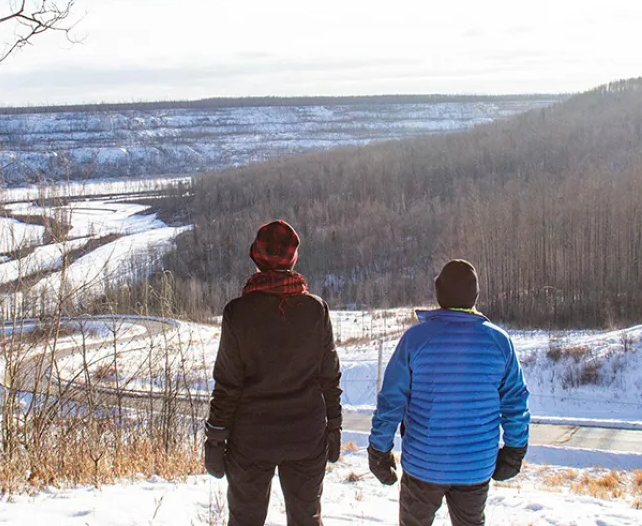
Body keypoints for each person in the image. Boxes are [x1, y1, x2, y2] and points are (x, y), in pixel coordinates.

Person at [367, 259, 530, 526]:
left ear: (439, 293)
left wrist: (379, 450)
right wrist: (514, 449)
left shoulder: (416, 339)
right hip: (476, 466)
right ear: (475, 295)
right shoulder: (499, 341)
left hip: (423, 464)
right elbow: (515, 402)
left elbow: (391, 401)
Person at [204, 220, 343, 526]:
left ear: (256, 257)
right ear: (293, 259)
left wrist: (215, 439)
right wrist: (334, 427)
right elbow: (329, 377)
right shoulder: (316, 310)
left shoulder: (237, 312)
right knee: (307, 520)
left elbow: (227, 384)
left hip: (251, 438)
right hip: (306, 436)